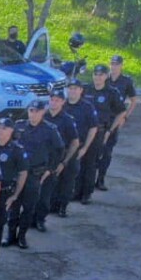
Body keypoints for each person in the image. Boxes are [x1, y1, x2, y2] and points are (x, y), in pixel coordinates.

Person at [7, 99, 64, 249]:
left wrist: (49, 169)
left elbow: (59, 150)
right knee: (13, 205)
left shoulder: (50, 129)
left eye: (37, 111)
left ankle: (22, 237)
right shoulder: (19, 126)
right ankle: (10, 235)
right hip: (18, 173)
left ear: (43, 112)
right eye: (31, 111)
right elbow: (9, 144)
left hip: (34, 174)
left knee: (28, 207)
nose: (33, 114)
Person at [0, 119, 28, 270]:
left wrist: (15, 195)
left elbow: (22, 173)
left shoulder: (17, 150)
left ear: (11, 131)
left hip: (4, 193)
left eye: (5, 129)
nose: (1, 132)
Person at [81, 64, 128, 196]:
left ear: (106, 76)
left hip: (104, 131)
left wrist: (110, 130)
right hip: (86, 131)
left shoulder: (111, 92)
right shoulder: (86, 89)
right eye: (95, 74)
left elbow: (121, 112)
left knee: (102, 157)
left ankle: (98, 181)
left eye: (101, 74)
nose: (98, 77)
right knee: (84, 160)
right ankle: (80, 190)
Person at [62, 79, 99, 215]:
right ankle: (73, 194)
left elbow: (93, 128)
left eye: (75, 88)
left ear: (81, 90)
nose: (72, 91)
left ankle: (86, 194)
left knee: (88, 169)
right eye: (70, 88)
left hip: (84, 144)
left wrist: (85, 148)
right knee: (70, 174)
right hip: (67, 146)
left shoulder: (87, 106)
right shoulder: (63, 105)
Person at [99, 55, 137, 189]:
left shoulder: (126, 81)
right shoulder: (104, 78)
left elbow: (133, 100)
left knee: (107, 152)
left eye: (116, 64)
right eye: (112, 64)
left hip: (115, 120)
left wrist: (125, 117)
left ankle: (100, 179)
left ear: (121, 65)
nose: (113, 66)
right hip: (101, 118)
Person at [44, 89, 81, 221]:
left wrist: (64, 162)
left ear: (63, 102)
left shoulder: (67, 119)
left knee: (66, 183)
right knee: (51, 184)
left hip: (66, 155)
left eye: (57, 100)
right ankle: (51, 206)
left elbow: (75, 142)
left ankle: (62, 207)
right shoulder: (44, 116)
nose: (54, 103)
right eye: (52, 100)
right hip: (50, 156)